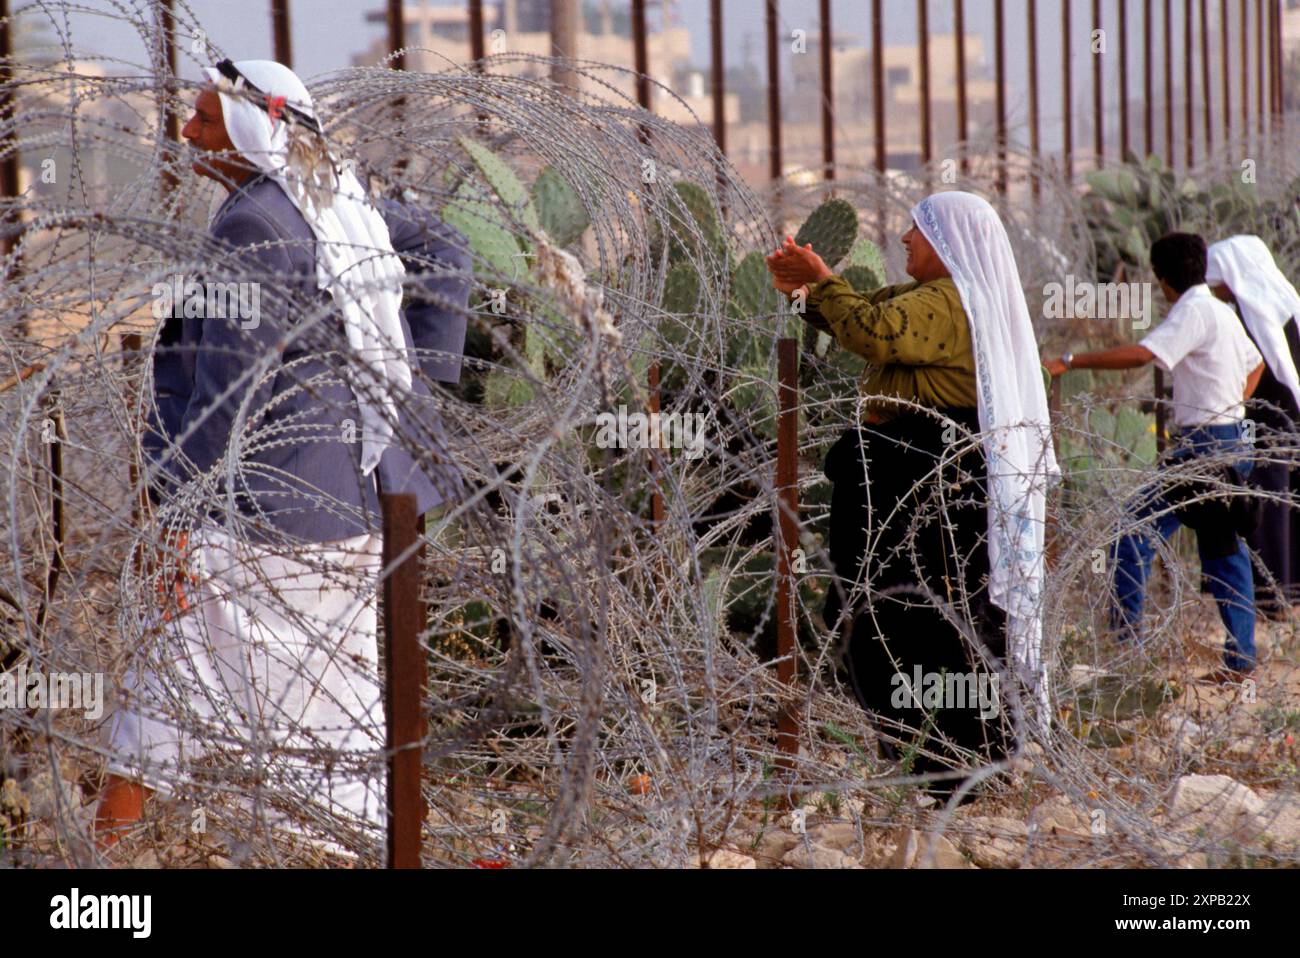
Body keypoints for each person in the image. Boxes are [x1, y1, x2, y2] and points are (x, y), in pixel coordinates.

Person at [94, 60, 470, 850]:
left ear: (247, 133)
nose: (188, 132)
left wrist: (177, 517)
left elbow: (225, 397)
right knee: (321, 687)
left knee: (173, 675)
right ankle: (353, 843)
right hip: (356, 492)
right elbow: (445, 244)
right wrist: (415, 391)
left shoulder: (253, 225)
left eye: (204, 120)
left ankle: (102, 857)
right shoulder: (331, 196)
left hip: (264, 509)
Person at [767, 191, 1058, 796]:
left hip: (922, 487)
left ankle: (950, 773)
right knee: (900, 618)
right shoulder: (934, 299)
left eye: (918, 230)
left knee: (918, 621)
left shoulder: (952, 302)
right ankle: (936, 764)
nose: (904, 238)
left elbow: (878, 332)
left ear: (949, 244)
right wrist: (808, 289)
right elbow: (863, 313)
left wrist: (823, 280)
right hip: (909, 484)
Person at [1044, 233, 1265, 680]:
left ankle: (1126, 646)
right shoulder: (1221, 312)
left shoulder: (1192, 310)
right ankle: (1241, 657)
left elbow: (1145, 353)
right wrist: (1229, 406)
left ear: (1161, 279)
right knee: (1223, 551)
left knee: (1131, 531)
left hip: (1201, 447)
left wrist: (1072, 360)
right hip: (1229, 440)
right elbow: (1255, 362)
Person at [1207, 236, 1300, 619]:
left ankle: (1271, 596)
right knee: (1281, 501)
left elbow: (1255, 369)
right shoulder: (1283, 302)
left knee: (1263, 500)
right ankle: (1283, 592)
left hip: (1262, 421)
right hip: (1286, 417)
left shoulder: (1249, 313)